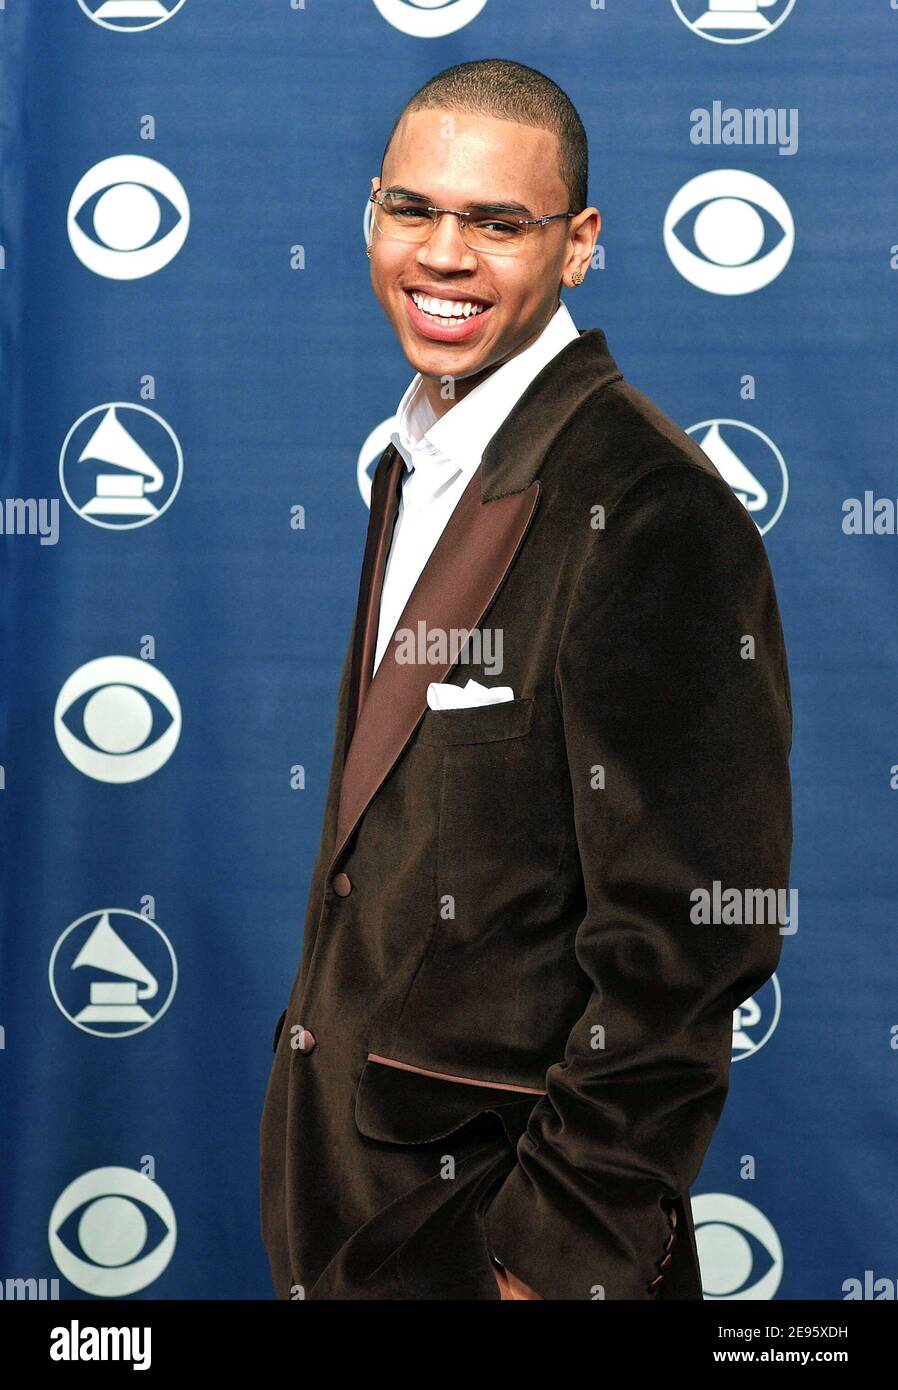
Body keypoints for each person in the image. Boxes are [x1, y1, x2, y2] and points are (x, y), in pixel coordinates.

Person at [259, 58, 793, 1301]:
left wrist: (538, 1265)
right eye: (413, 210)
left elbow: (689, 943)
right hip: (362, 1215)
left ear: (579, 244)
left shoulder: (650, 506)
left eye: (498, 222)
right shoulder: (417, 459)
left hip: (505, 1243)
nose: (443, 255)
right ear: (371, 213)